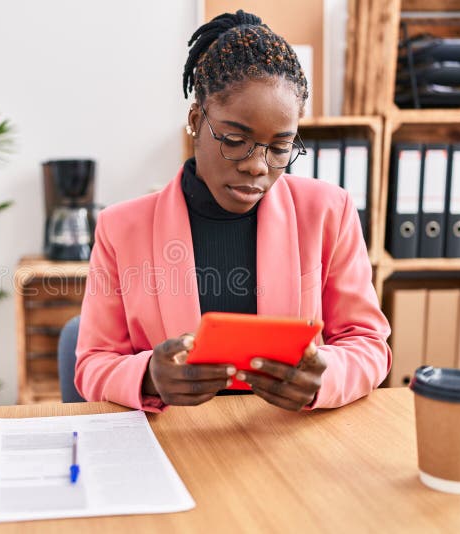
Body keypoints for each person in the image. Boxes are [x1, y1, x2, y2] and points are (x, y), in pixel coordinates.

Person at [74, 10, 391, 412]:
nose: (258, 165)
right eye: (236, 140)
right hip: (172, 445)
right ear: (195, 121)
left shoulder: (330, 212)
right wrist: (150, 375)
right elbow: (91, 364)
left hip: (282, 440)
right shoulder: (121, 228)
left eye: (279, 148)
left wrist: (323, 375)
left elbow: (368, 344)